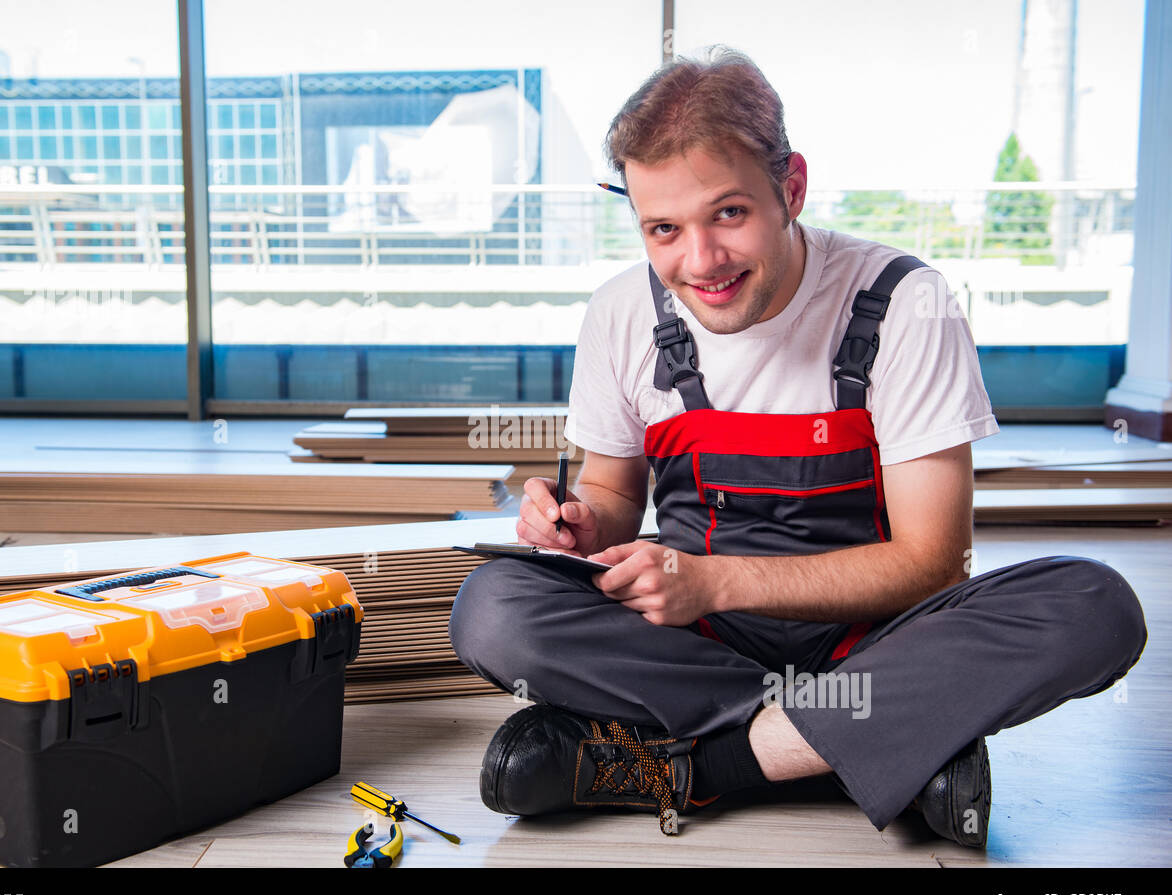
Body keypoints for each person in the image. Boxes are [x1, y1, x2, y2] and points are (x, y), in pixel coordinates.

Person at [447, 47, 1147, 847]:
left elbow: (935, 561)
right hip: (702, 644)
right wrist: (579, 525)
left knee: (1094, 607)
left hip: (873, 641)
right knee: (493, 610)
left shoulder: (906, 304)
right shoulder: (620, 314)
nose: (700, 261)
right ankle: (878, 739)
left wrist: (714, 580)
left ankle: (703, 766)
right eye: (664, 229)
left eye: (729, 214)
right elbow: (613, 498)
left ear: (793, 188)